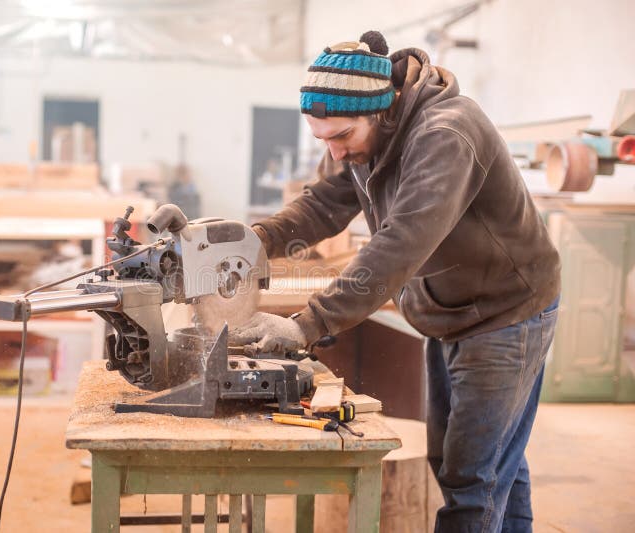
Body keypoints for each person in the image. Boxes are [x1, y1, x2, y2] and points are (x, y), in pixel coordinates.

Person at [229, 30, 561, 532]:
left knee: (473, 479)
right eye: (324, 140)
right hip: (449, 311)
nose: (335, 152)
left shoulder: (447, 134)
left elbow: (400, 244)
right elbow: (324, 203)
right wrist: (254, 241)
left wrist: (305, 325)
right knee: (492, 469)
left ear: (382, 112)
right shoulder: (364, 136)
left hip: (506, 314)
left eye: (341, 137)